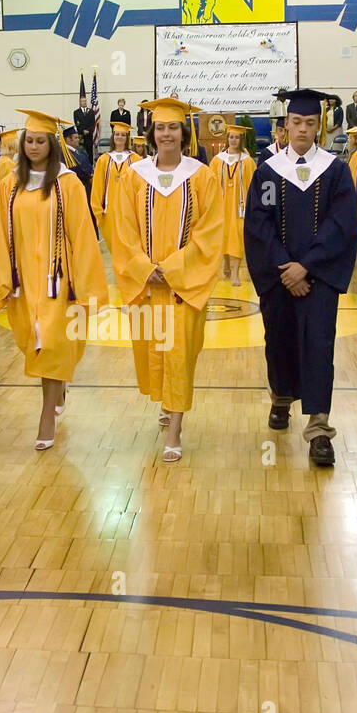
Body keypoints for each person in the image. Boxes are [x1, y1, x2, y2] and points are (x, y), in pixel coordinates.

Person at [245, 89, 357, 466]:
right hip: (279, 279)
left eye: (311, 123)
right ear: (285, 124)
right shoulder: (267, 172)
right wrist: (285, 268)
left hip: (319, 279)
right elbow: (259, 226)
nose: (303, 130)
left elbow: (341, 225)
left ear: (319, 126)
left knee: (318, 346)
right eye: (296, 122)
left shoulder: (336, 171)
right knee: (279, 341)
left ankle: (319, 428)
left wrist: (306, 267)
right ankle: (281, 399)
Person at [112, 97, 225, 463]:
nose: (166, 134)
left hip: (181, 287)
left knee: (179, 355)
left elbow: (209, 233)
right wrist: (146, 268)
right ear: (152, 132)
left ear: (184, 132)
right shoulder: (134, 176)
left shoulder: (201, 177)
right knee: (153, 354)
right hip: (147, 285)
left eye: (173, 127)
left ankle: (175, 428)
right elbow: (123, 227)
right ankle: (166, 402)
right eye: (160, 127)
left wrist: (172, 269)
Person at [0, 109, 108, 450]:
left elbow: (82, 234)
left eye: (41, 140)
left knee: (52, 341)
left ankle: (45, 416)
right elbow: (0, 231)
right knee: (36, 342)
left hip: (59, 278)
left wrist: (85, 284)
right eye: (29, 140)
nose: (34, 146)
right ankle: (58, 389)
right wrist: (3, 277)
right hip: (25, 279)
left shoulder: (67, 183)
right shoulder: (11, 184)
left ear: (52, 145)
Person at [212, 123, 256, 287]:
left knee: (237, 237)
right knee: (222, 237)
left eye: (237, 137)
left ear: (241, 139)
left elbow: (253, 185)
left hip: (240, 207)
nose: (234, 140)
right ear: (227, 139)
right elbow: (211, 183)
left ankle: (236, 273)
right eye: (231, 137)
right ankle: (226, 265)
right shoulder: (217, 161)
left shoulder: (248, 162)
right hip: (222, 206)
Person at [89, 121, 138, 251]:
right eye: (117, 134)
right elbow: (97, 188)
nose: (119, 137)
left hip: (130, 212)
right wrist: (98, 212)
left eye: (123, 135)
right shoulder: (104, 159)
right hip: (109, 213)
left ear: (127, 138)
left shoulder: (136, 159)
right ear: (113, 136)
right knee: (114, 250)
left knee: (130, 250)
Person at [72, 93, 96, 160]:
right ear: (80, 102)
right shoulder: (76, 112)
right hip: (80, 135)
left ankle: (90, 167)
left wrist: (88, 130)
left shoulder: (91, 111)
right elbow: (77, 123)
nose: (84, 102)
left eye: (85, 101)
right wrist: (83, 130)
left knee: (89, 152)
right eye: (83, 101)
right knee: (81, 152)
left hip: (89, 135)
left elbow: (93, 123)